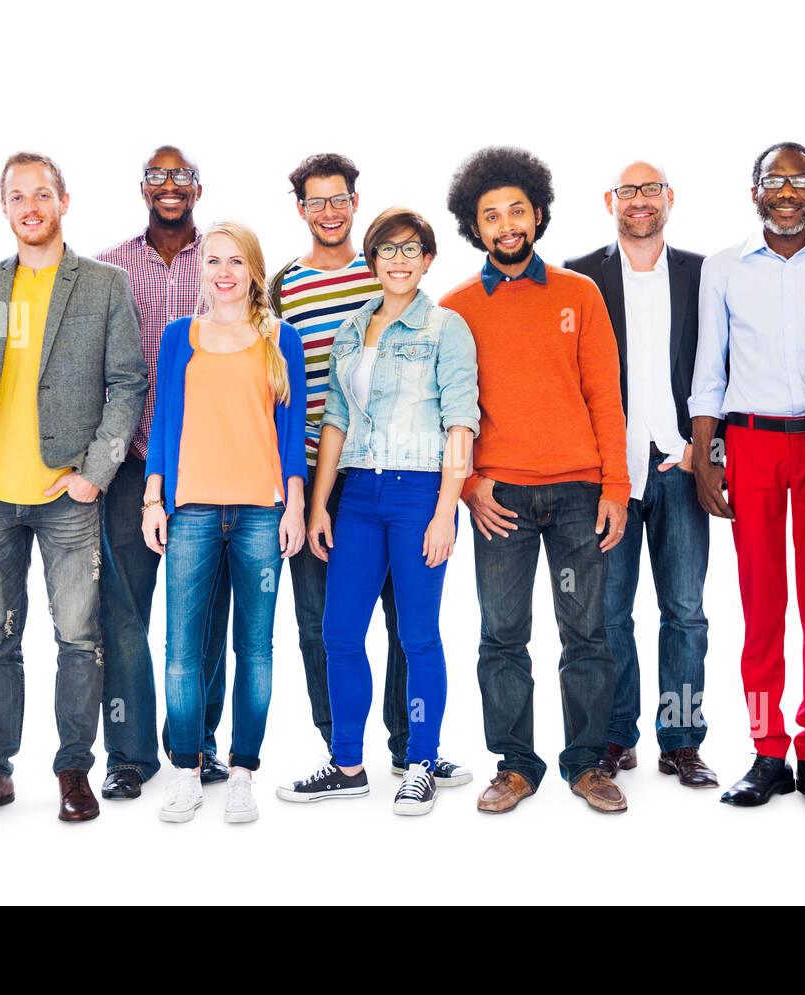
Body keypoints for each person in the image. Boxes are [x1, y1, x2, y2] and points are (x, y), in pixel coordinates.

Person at [0, 151, 148, 824]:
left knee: (79, 638)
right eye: (17, 196)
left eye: (41, 194)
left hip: (66, 499)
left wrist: (95, 473)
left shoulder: (103, 284)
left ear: (64, 200)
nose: (30, 206)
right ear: (4, 209)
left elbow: (129, 385)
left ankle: (73, 769)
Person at [268, 153, 470, 787]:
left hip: (416, 493)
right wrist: (319, 502)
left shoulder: (445, 326)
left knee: (416, 633)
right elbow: (334, 420)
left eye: (411, 251)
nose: (398, 262)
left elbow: (461, 423)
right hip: (351, 492)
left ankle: (419, 757)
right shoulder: (351, 325)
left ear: (428, 259)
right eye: (390, 252)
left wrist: (445, 510)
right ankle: (346, 761)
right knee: (335, 631)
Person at [441, 146, 631, 814]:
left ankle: (587, 763)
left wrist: (615, 486)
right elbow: (450, 411)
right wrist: (468, 487)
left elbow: (606, 396)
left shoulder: (579, 294)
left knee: (588, 634)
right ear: (476, 227)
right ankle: (516, 764)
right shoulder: (456, 306)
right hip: (501, 499)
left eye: (517, 209)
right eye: (490, 215)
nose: (506, 224)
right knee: (501, 635)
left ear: (540, 213)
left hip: (581, 491)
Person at [688, 141, 805, 813]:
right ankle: (768, 749)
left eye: (801, 180)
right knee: (762, 609)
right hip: (753, 444)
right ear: (753, 189)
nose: (786, 191)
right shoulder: (725, 267)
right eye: (774, 179)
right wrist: (705, 455)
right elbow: (710, 365)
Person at [143, 220, 307, 825]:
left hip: (261, 515)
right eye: (213, 261)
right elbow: (163, 421)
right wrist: (153, 500)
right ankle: (187, 769)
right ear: (201, 270)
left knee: (254, 650)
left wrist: (293, 504)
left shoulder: (278, 338)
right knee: (182, 650)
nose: (223, 272)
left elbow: (289, 433)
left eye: (235, 261)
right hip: (191, 512)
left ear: (253, 270)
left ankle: (242, 772)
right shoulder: (179, 335)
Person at [565, 161, 719, 789]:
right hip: (611, 472)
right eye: (628, 191)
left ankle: (681, 742)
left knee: (685, 610)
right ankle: (612, 736)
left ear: (669, 198)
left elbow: (725, 361)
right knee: (607, 613)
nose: (639, 201)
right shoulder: (579, 274)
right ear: (611, 201)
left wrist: (709, 449)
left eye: (650, 190)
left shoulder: (704, 273)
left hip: (681, 466)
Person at [94, 146, 231, 801]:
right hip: (130, 466)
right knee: (122, 615)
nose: (170, 185)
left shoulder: (226, 266)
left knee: (203, 617)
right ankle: (128, 754)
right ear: (143, 187)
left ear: (198, 188)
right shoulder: (111, 269)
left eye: (181, 175)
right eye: (158, 175)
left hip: (211, 469)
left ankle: (197, 746)